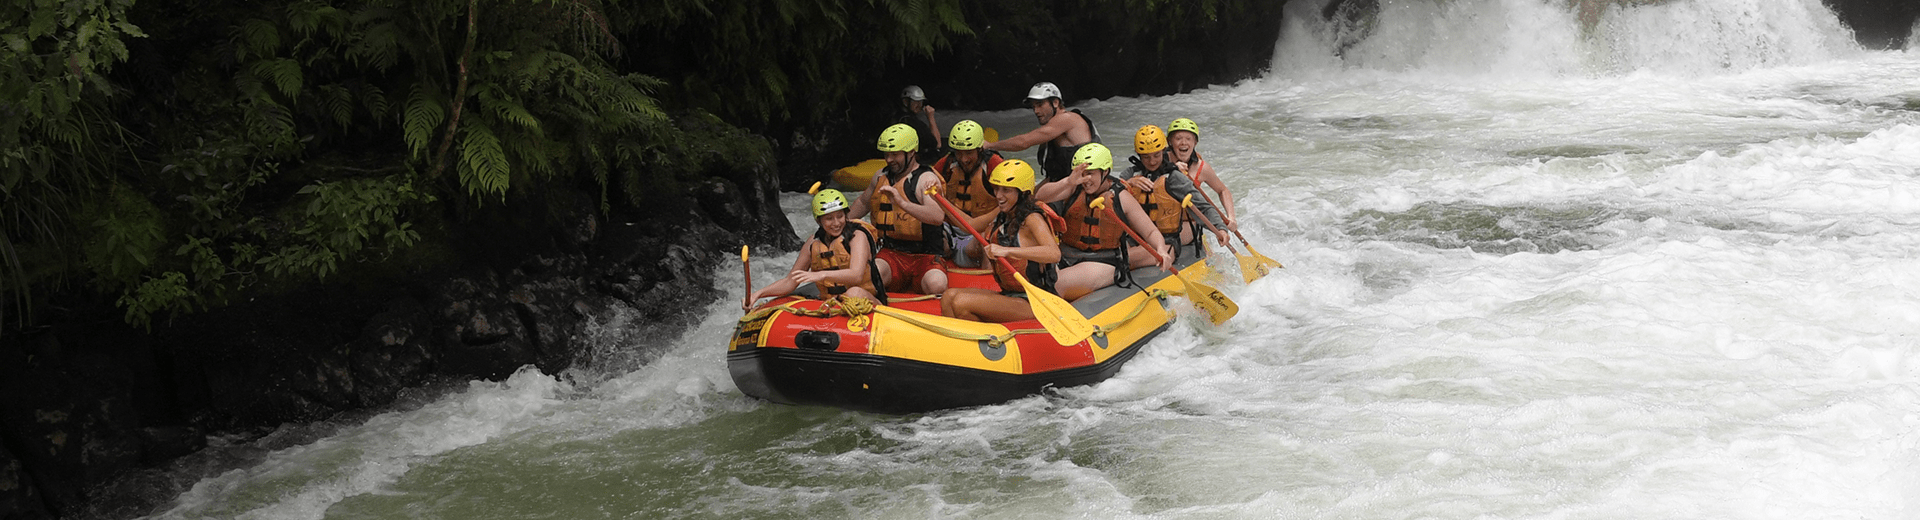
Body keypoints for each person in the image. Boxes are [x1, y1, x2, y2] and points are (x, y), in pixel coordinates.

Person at [1038, 143, 1170, 301]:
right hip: (1066, 256)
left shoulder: (1121, 197)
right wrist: (1068, 181)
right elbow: (1039, 197)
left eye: (1091, 173)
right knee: (1036, 276)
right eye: (1082, 173)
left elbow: (1150, 231)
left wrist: (1161, 249)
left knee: (1057, 283)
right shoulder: (1073, 187)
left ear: (1105, 171)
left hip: (1102, 261)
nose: (1086, 179)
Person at [939, 160, 1062, 322]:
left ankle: (975, 333)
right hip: (1010, 295)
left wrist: (1007, 251)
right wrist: (939, 199)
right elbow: (971, 225)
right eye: (996, 188)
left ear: (1022, 192)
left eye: (1006, 190)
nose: (998, 195)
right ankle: (963, 335)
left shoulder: (1032, 218)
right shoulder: (1003, 212)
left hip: (1035, 301)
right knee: (948, 297)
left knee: (960, 303)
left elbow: (1054, 253)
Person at [850, 124, 950, 294]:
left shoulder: (926, 179)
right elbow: (863, 202)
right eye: (887, 154)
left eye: (895, 154)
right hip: (892, 253)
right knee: (871, 277)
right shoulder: (880, 176)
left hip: (926, 254)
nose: (889, 159)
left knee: (936, 284)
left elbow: (937, 216)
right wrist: (841, 223)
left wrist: (902, 203)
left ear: (911, 152)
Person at [743, 188, 884, 310]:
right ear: (819, 221)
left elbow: (856, 275)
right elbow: (790, 281)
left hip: (865, 298)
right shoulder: (813, 242)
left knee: (854, 293)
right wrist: (758, 294)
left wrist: (821, 275)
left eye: (840, 216)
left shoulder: (857, 236)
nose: (836, 223)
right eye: (829, 218)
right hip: (831, 304)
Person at [1118, 124, 1229, 269]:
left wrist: (1220, 228)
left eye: (1156, 155)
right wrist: (1128, 184)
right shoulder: (1130, 175)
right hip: (1134, 238)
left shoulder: (1174, 177)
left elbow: (1202, 206)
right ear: (1139, 155)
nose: (1152, 161)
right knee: (1116, 253)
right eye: (1146, 157)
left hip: (1166, 242)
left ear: (1163, 151)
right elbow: (1111, 195)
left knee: (1120, 259)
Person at [982, 82, 1100, 184]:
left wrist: (990, 145)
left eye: (1040, 105)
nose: (1036, 111)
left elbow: (1024, 142)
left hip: (1086, 183)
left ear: (1055, 102)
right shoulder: (1054, 130)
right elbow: (1055, 176)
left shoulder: (1066, 119)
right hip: (1068, 183)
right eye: (1033, 107)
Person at [929, 120, 1006, 267]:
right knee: (929, 233)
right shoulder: (946, 164)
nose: (964, 159)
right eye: (959, 152)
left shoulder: (994, 166)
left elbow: (1010, 204)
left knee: (989, 240)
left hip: (979, 234)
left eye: (969, 153)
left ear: (980, 150)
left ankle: (988, 277)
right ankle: (934, 271)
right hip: (950, 230)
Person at [1167, 117, 1238, 232]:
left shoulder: (1202, 168)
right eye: (1178, 138)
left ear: (1195, 143)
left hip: (1190, 224)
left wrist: (1231, 218)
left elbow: (1223, 190)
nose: (1183, 143)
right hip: (1163, 223)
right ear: (1170, 141)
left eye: (1188, 139)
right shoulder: (1159, 161)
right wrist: (1172, 168)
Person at [898, 85, 942, 162]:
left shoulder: (901, 118)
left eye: (920, 102)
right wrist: (931, 117)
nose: (919, 105)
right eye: (915, 102)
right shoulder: (909, 122)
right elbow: (937, 144)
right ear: (905, 102)